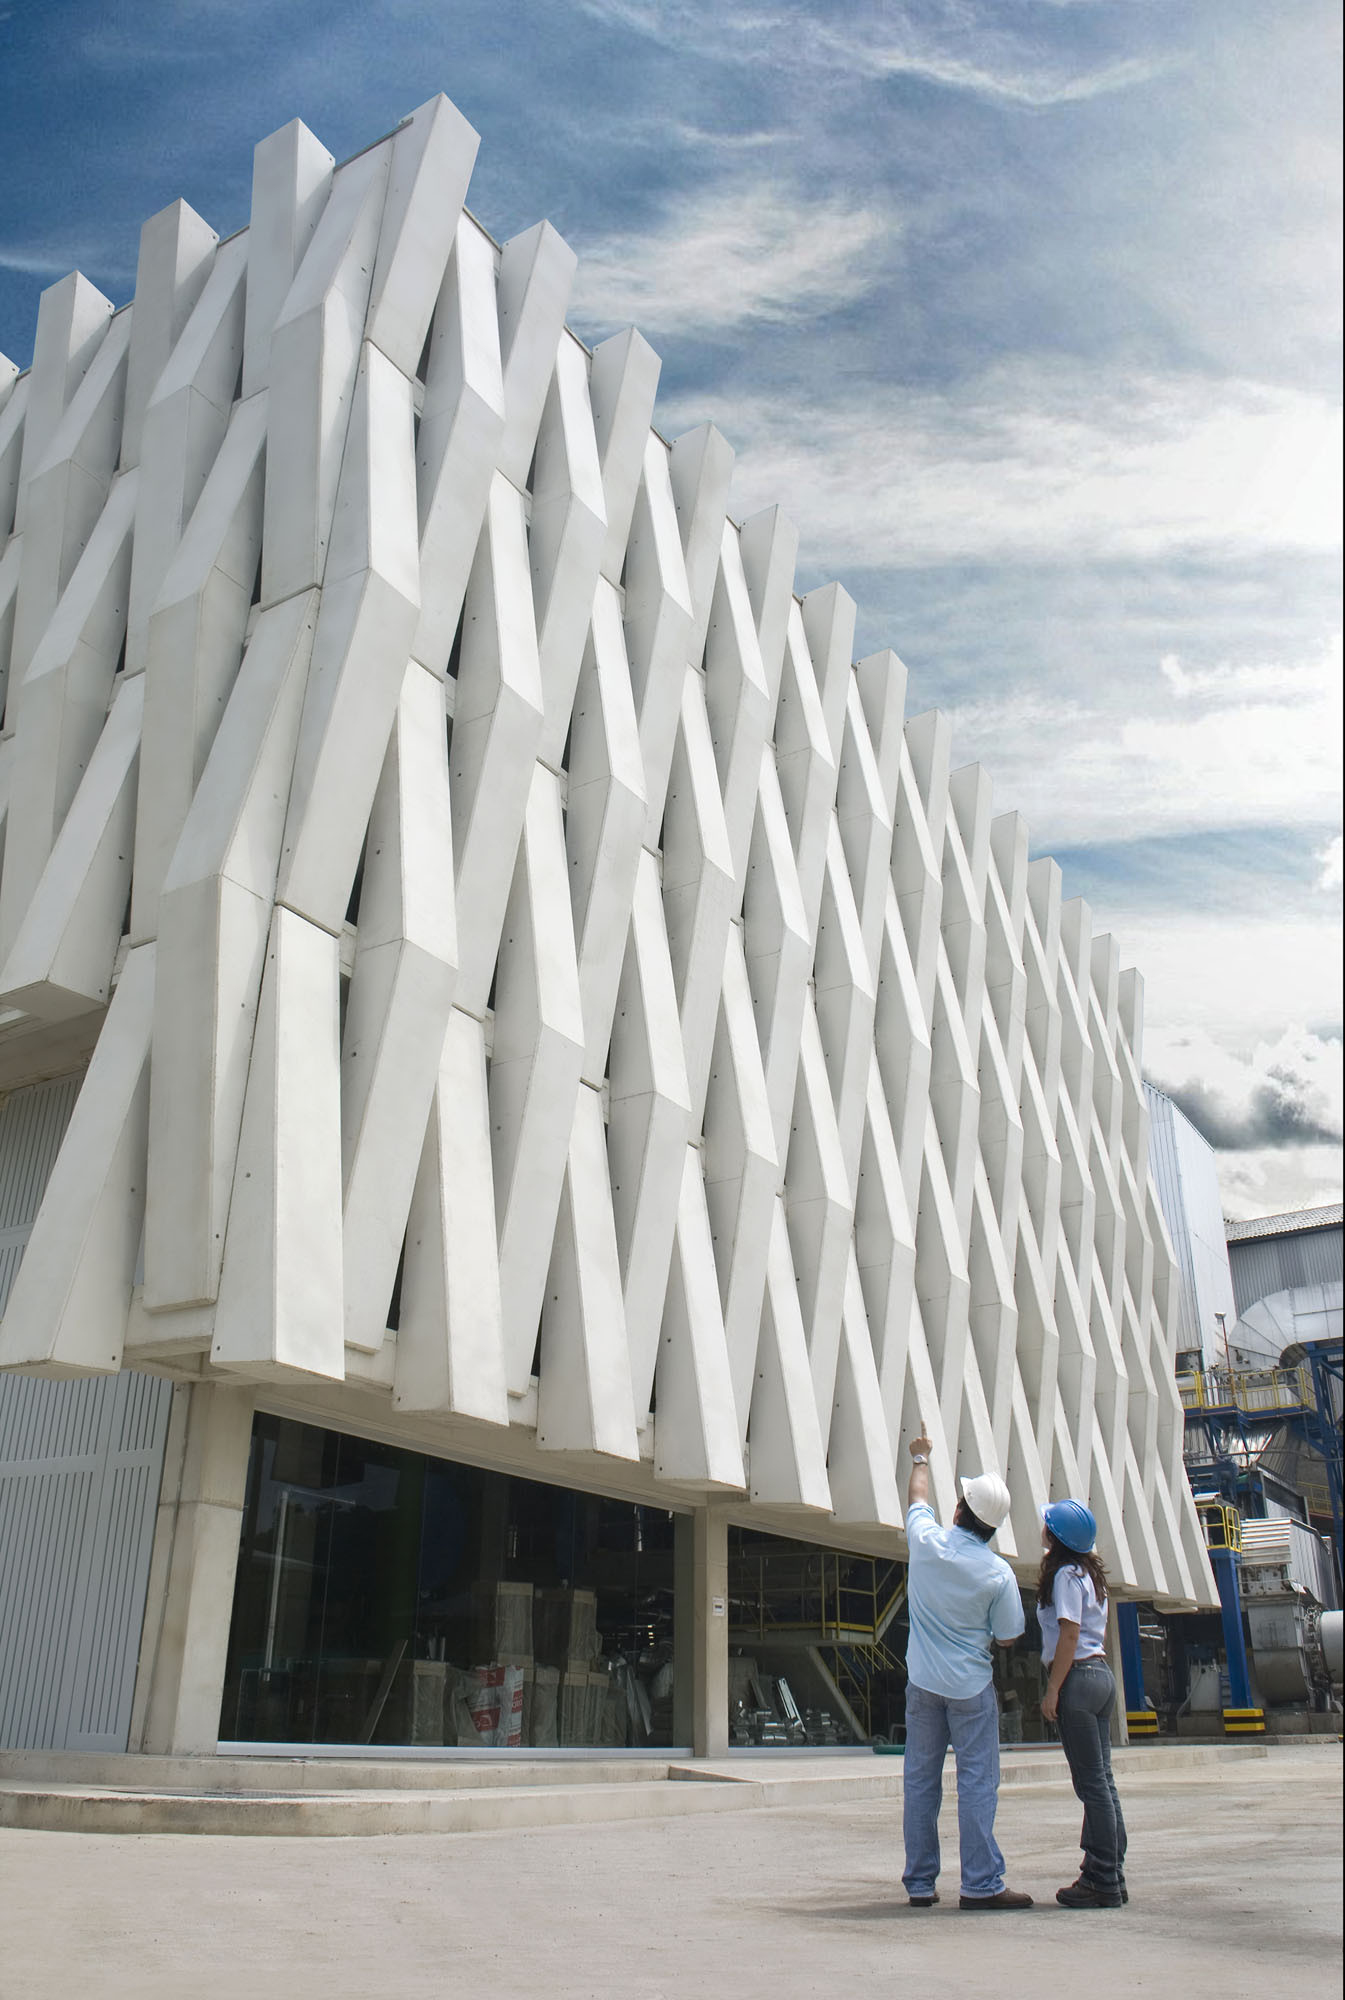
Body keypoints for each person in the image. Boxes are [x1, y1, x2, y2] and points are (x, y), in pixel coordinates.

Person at [901, 1433, 1032, 1911]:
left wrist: (921, 1455)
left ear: (958, 1511)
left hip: (922, 1683)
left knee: (920, 1781)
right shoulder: (997, 1574)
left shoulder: (926, 1541)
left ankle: (919, 1883)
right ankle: (980, 1883)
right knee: (977, 1781)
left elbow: (917, 1496)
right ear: (992, 1528)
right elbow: (1007, 1636)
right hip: (971, 1687)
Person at [1038, 1498, 1128, 1909]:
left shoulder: (1065, 1577)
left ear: (1055, 1538)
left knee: (1091, 1785)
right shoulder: (1092, 1575)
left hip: (1078, 1679)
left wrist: (1053, 1688)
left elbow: (1069, 1635)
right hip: (1102, 1676)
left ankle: (1101, 1878)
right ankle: (1112, 1873)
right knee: (1103, 1782)